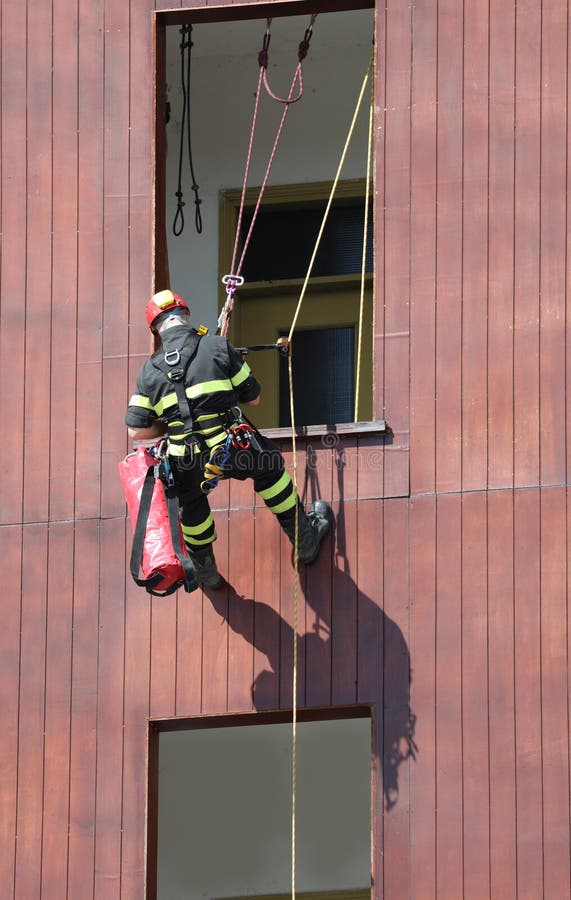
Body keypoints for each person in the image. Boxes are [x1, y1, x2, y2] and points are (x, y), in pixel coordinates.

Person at [125, 289, 332, 589]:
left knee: (191, 503)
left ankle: (206, 572)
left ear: (156, 328)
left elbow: (136, 430)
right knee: (270, 467)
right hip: (232, 448)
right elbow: (255, 398)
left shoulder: (149, 371)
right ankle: (305, 539)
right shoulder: (216, 346)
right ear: (186, 316)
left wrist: (172, 426)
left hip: (185, 460)